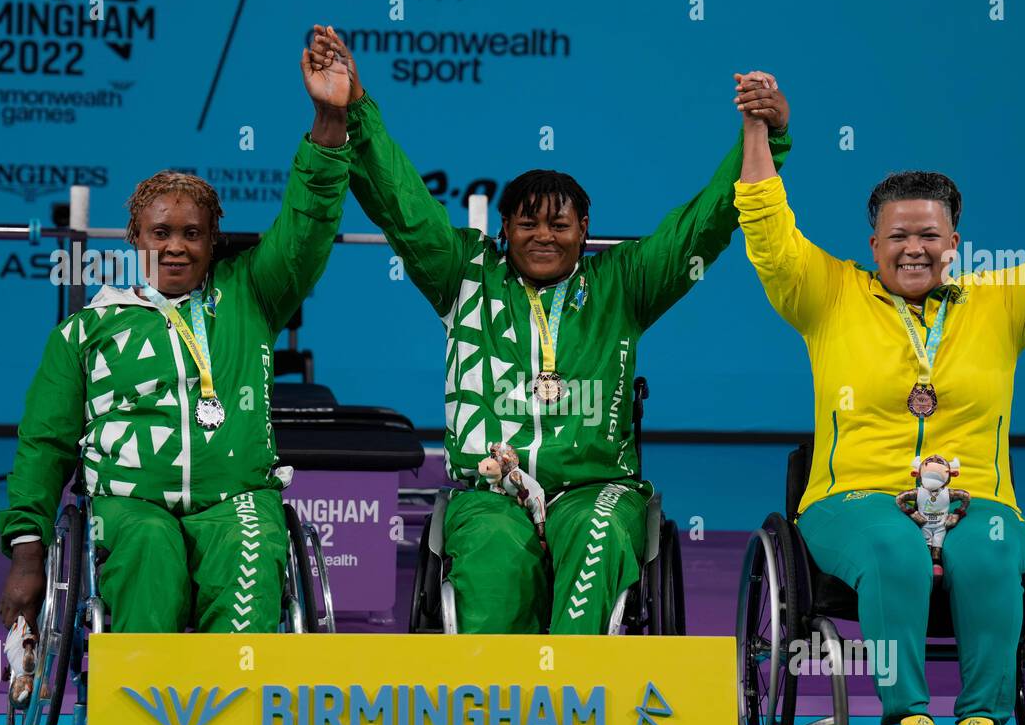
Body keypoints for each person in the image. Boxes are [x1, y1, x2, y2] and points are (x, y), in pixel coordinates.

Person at [311, 31, 793, 633]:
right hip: (490, 494)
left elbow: (703, 225)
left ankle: (573, 704)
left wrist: (763, 137)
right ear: (504, 229)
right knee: (491, 560)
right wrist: (351, 110)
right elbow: (400, 203)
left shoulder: (624, 282)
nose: (543, 236)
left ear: (585, 228)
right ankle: (496, 706)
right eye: (526, 223)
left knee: (596, 537)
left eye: (559, 224)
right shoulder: (463, 274)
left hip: (594, 489)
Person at [734, 69, 1025, 725]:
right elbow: (766, 228)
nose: (913, 248)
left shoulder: (1001, 305)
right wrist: (760, 129)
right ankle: (907, 718)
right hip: (855, 501)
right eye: (898, 236)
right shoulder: (825, 295)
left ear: (954, 245)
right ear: (873, 245)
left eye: (930, 235)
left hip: (977, 499)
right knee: (893, 548)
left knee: (991, 549)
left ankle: (983, 723)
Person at [0, 25, 356, 634]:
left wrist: (327, 121)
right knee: (150, 556)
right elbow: (44, 445)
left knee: (248, 553)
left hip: (236, 500)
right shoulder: (87, 329)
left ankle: (234, 719)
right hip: (132, 506)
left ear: (214, 241)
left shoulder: (250, 296)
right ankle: (147, 720)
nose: (177, 247)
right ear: (135, 236)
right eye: (161, 232)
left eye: (192, 234)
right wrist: (27, 554)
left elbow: (308, 220)